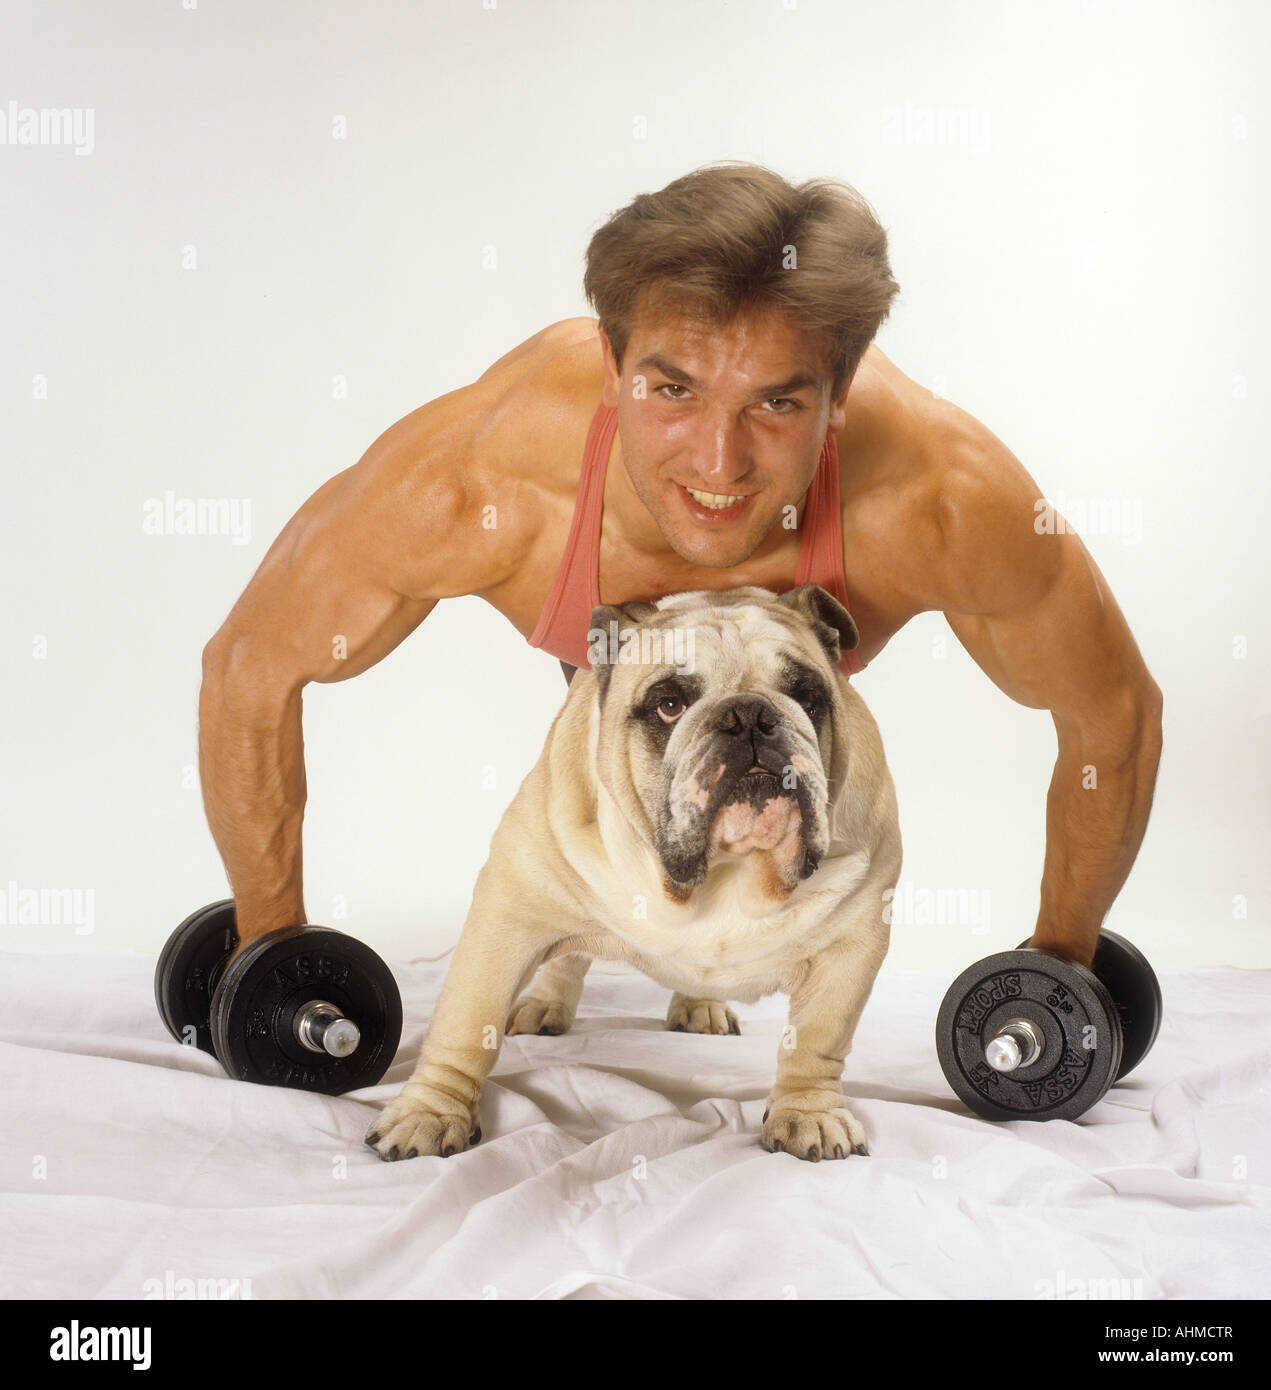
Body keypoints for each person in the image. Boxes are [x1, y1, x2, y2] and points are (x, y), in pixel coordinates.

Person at [198, 161, 1162, 971]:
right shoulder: (475, 482)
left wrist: (1059, 969)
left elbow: (1113, 713)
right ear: (612, 364)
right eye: (672, 391)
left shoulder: (939, 503)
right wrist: (270, 947)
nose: (716, 464)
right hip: (596, 615)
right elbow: (249, 670)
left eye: (776, 405)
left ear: (839, 396)